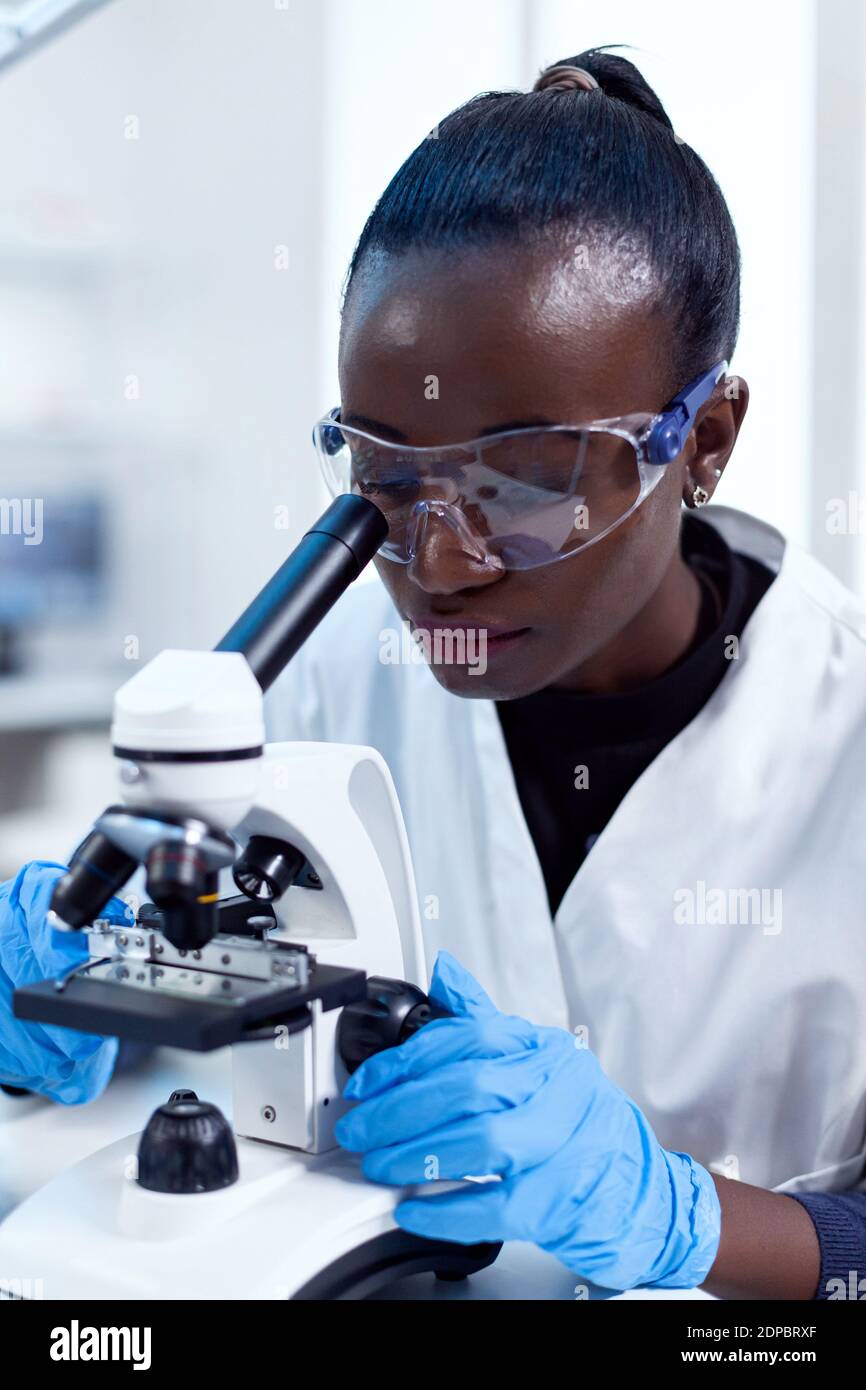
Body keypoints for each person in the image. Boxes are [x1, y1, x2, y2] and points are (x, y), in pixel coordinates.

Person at [2, 48, 865, 1298]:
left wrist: (684, 1220)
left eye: (526, 477)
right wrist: (51, 1015)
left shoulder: (841, 728)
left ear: (706, 441)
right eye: (389, 477)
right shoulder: (322, 673)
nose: (442, 564)